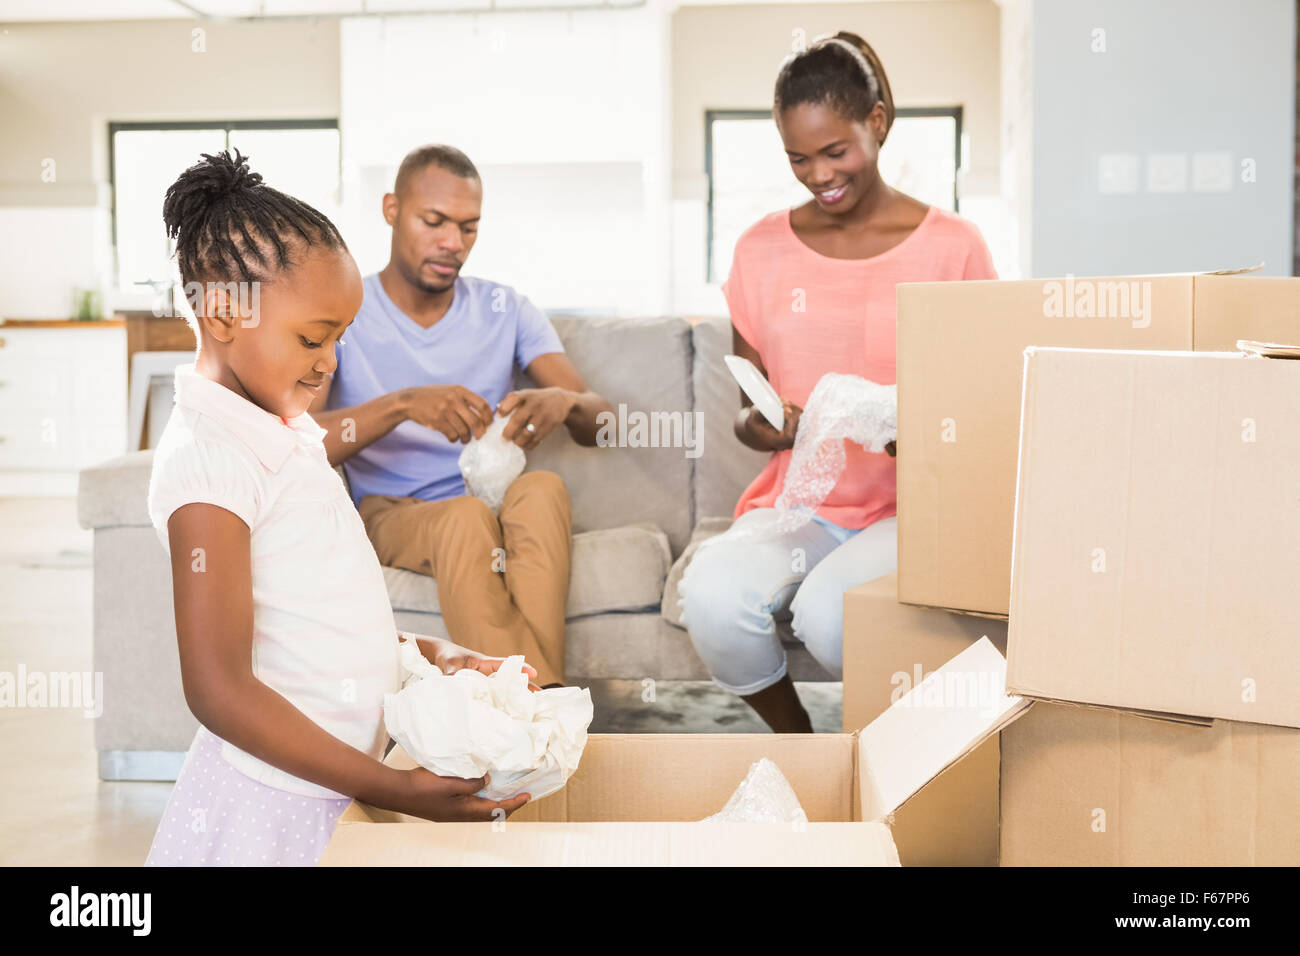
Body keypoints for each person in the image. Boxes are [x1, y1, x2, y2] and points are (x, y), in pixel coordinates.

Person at [144, 150, 535, 867]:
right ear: (225, 313)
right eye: (312, 338)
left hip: (327, 790)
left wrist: (432, 653)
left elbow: (316, 623)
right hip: (272, 809)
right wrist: (392, 787)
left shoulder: (286, 431)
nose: (329, 362)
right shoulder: (209, 464)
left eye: (340, 338)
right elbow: (218, 689)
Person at [678, 31, 998, 733]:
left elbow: (985, 406)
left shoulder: (954, 246)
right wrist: (764, 425)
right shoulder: (759, 249)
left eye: (835, 152)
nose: (819, 175)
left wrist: (922, 434)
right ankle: (803, 748)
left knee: (830, 617)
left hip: (912, 507)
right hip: (804, 504)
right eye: (798, 158)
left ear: (876, 122)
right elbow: (744, 410)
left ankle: (902, 756)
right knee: (709, 593)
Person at [310, 145, 613, 690]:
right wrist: (402, 404)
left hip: (491, 499)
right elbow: (303, 444)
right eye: (435, 222)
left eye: (469, 228)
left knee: (542, 488)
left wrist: (564, 402)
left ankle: (530, 719)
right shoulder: (345, 309)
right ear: (391, 209)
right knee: (464, 520)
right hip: (394, 510)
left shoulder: (505, 308)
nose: (453, 243)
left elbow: (602, 422)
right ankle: (543, 710)